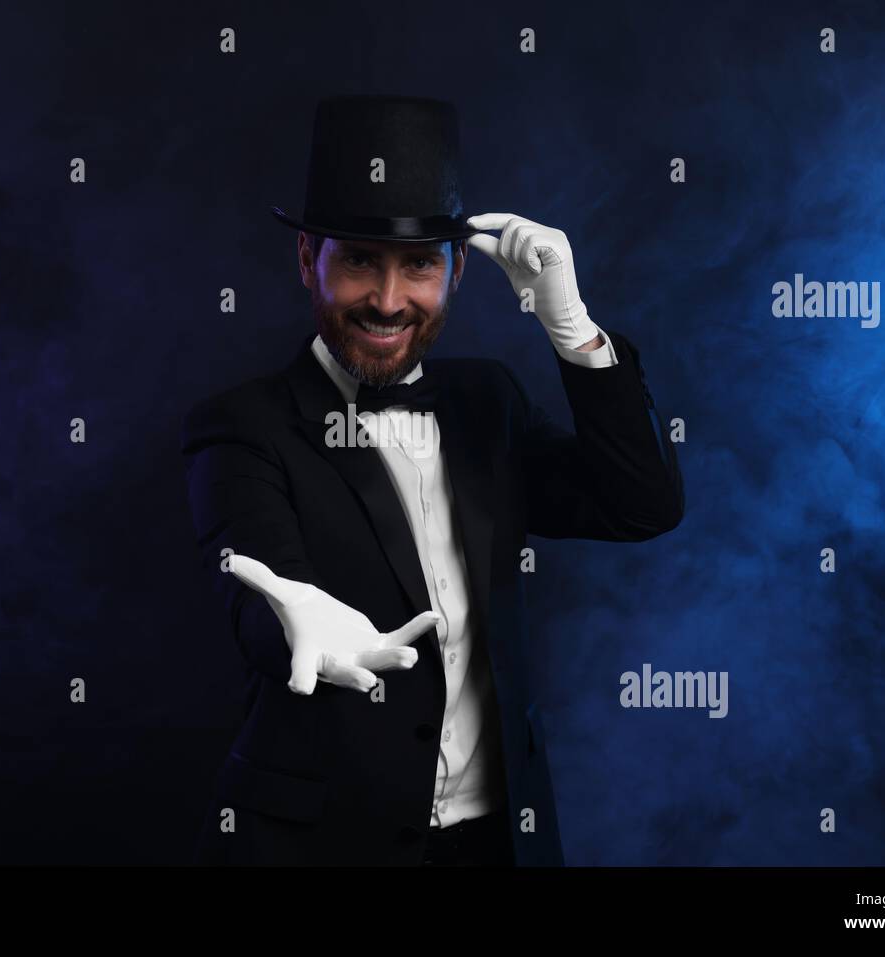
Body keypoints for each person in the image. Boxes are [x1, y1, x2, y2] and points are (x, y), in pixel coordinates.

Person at [181, 94, 684, 866]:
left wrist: (573, 328)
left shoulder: (489, 400)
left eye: (418, 264)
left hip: (498, 844)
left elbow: (641, 505)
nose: (388, 301)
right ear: (306, 257)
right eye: (357, 260)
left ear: (455, 269)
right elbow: (254, 584)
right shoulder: (243, 425)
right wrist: (298, 625)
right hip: (325, 846)